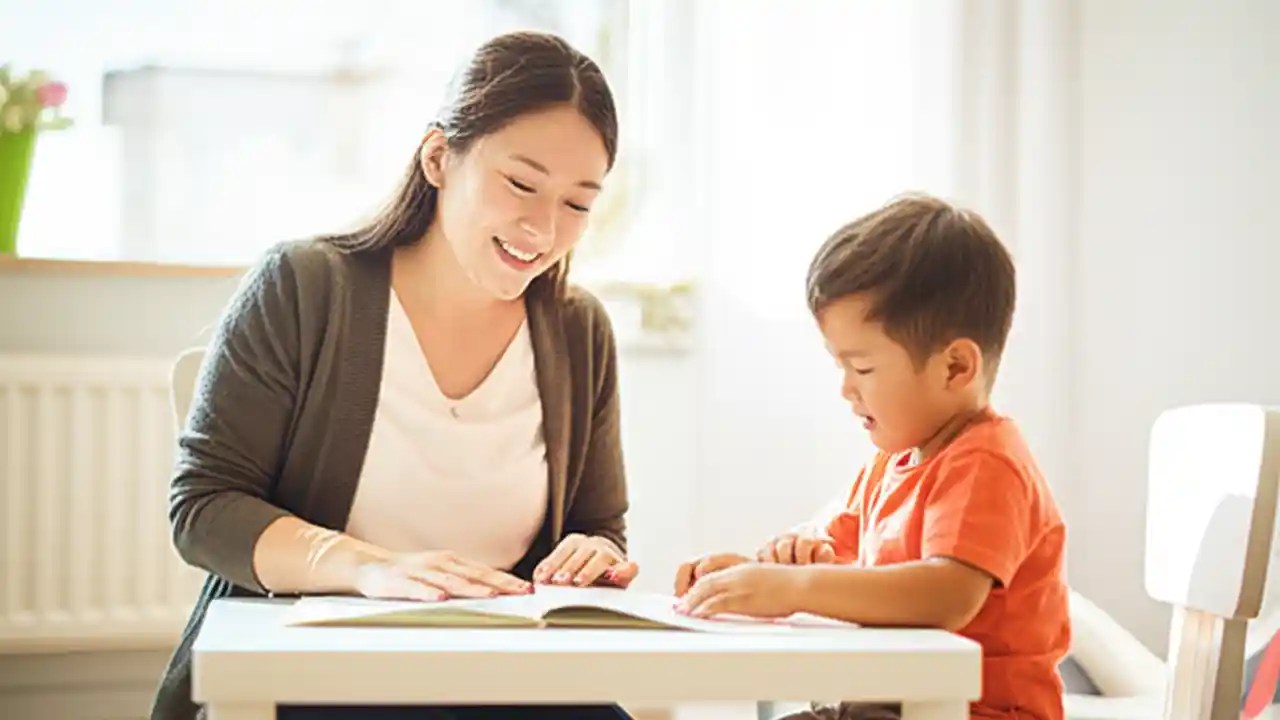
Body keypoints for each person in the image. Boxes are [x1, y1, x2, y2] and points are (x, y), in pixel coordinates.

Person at [151, 31, 637, 720]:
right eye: (521, 184)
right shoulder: (305, 286)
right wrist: (368, 568)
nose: (543, 227)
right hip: (313, 673)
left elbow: (598, 527)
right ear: (439, 157)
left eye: (578, 203)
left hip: (500, 677)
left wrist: (592, 554)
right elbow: (204, 511)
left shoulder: (578, 331)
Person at [673, 195, 1071, 720]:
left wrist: (792, 588)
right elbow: (842, 568)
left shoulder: (987, 463)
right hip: (887, 707)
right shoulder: (891, 465)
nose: (845, 389)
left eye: (860, 369)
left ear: (955, 367)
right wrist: (756, 574)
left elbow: (945, 594)